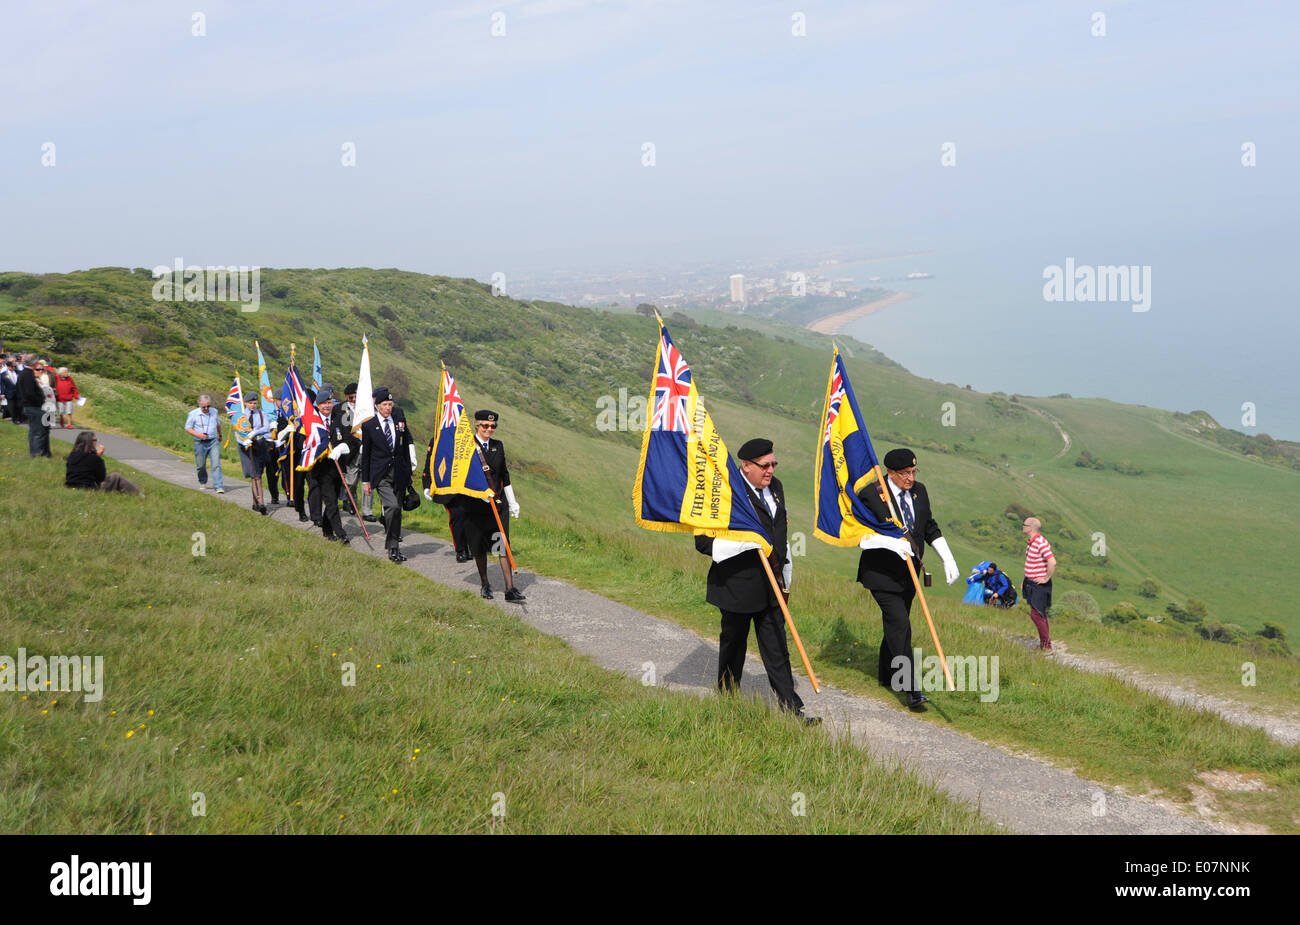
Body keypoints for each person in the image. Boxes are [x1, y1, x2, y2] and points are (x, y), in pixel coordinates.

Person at [693, 438, 815, 725]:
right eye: (765, 465)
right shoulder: (725, 493)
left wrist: (786, 576)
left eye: (773, 464)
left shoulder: (776, 488)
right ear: (746, 467)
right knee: (733, 645)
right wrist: (745, 544)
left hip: (771, 584)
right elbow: (703, 543)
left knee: (777, 647)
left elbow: (780, 533)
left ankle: (792, 711)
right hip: (736, 585)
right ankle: (727, 702)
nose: (770, 470)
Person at [855, 447, 959, 709]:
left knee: (895, 624)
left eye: (913, 472)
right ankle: (911, 688)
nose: (910, 478)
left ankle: (885, 673)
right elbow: (860, 536)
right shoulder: (872, 495)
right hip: (881, 574)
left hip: (909, 575)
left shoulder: (919, 491)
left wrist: (947, 557)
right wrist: (891, 544)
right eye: (904, 474)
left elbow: (928, 526)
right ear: (890, 472)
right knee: (900, 625)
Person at [459, 410, 524, 602]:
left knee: (501, 544)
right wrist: (479, 494)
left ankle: (510, 588)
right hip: (475, 505)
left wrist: (512, 501)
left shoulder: (498, 446)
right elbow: (461, 477)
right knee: (478, 545)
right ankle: (485, 583)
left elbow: (504, 475)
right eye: (485, 426)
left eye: (493, 426)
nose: (489, 429)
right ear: (476, 425)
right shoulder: (466, 446)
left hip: (497, 503)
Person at [358, 387, 415, 562]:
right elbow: (366, 456)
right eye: (385, 404)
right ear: (377, 406)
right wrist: (365, 481)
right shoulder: (369, 426)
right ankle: (391, 545)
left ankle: (394, 547)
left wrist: (408, 469)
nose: (388, 408)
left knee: (397, 512)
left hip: (398, 472)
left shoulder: (399, 420)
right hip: (380, 475)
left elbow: (404, 447)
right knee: (393, 506)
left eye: (390, 404)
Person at [304, 387, 351, 544]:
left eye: (329, 402)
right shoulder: (314, 422)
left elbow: (348, 438)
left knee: (334, 500)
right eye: (323, 403)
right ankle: (341, 533)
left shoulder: (339, 418)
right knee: (331, 501)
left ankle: (327, 528)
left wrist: (342, 447)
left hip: (338, 468)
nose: (327, 406)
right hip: (321, 469)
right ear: (317, 405)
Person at [421, 436, 471, 563]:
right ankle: (460, 550)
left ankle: (467, 547)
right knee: (457, 514)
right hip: (446, 487)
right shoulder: (437, 439)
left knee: (466, 516)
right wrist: (427, 485)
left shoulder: (465, 437)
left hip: (463, 486)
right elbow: (430, 463)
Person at [65, 431, 141, 495]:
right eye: (95, 440)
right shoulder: (94, 458)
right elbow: (101, 477)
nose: (97, 442)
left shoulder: (72, 455)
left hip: (70, 486)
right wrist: (99, 457)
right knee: (116, 476)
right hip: (89, 489)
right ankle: (137, 493)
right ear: (90, 442)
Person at [1021, 516, 1057, 652]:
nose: (1022, 527)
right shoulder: (1031, 542)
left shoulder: (1040, 542)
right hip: (1031, 582)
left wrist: (1046, 578)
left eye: (1024, 524)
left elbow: (1052, 562)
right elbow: (1031, 563)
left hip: (1039, 585)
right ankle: (1044, 644)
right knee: (1040, 613)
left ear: (1030, 527)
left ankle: (1046, 646)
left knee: (1036, 614)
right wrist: (1024, 580)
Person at [237, 393, 273, 514]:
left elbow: (266, 427)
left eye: (255, 403)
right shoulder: (241, 415)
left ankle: (255, 502)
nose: (253, 405)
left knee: (257, 473)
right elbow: (237, 432)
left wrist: (254, 432)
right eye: (250, 403)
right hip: (245, 447)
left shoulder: (261, 414)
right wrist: (244, 440)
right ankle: (261, 503)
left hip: (259, 445)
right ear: (246, 403)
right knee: (254, 474)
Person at [184, 393, 224, 493]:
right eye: (204, 407)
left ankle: (218, 486)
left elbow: (218, 424)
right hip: (200, 442)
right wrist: (198, 435)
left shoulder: (214, 411)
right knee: (201, 465)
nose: (206, 408)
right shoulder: (193, 414)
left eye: (208, 406)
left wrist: (220, 435)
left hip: (213, 441)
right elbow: (187, 428)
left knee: (216, 464)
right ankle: (202, 481)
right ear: (199, 405)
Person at [337, 383, 364, 516]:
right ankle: (347, 500)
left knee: (366, 480)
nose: (353, 400)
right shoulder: (340, 409)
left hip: (367, 450)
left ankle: (366, 511)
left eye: (356, 397)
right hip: (351, 449)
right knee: (351, 480)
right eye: (351, 397)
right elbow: (345, 431)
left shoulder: (366, 409)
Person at [16, 354, 50, 458]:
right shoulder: (27, 374)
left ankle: (41, 452)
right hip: (33, 406)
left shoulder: (26, 373)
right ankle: (36, 454)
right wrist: (40, 400)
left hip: (31, 406)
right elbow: (29, 393)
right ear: (34, 363)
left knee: (35, 431)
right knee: (38, 432)